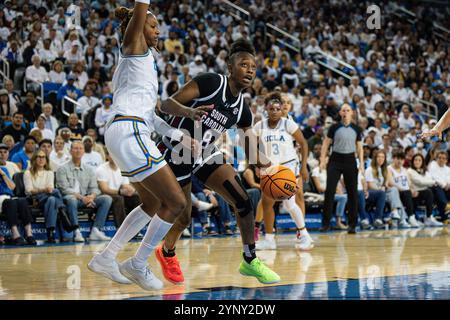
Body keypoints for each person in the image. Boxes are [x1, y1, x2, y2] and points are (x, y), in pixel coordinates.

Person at [88, 3, 208, 290]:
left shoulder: (144, 64)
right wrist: (143, 7)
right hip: (129, 131)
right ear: (139, 28)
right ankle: (138, 263)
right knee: (178, 202)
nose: (158, 31)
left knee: (153, 203)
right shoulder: (134, 47)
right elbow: (140, 13)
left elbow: (152, 116)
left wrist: (182, 132)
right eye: (153, 26)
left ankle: (107, 256)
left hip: (128, 129)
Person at [154, 39, 280, 285]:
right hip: (176, 148)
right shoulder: (211, 83)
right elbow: (167, 104)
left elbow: (249, 141)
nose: (250, 70)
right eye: (244, 65)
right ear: (230, 68)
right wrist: (190, 112)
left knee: (243, 201)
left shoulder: (242, 108)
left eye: (253, 67)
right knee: (183, 216)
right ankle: (166, 252)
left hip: (204, 151)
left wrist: (268, 166)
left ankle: (250, 259)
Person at [253, 92, 313, 251]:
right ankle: (269, 239)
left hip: (287, 167)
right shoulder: (259, 126)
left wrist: (303, 165)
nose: (274, 111)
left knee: (289, 203)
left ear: (281, 110)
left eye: (277, 109)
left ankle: (304, 234)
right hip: (270, 168)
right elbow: (250, 145)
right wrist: (257, 165)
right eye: (271, 108)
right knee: (266, 203)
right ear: (266, 109)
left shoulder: (288, 124)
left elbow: (304, 143)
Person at [56, 141, 113, 243]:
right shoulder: (62, 168)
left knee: (106, 199)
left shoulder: (89, 169)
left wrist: (91, 197)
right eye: (75, 148)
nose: (78, 151)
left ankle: (96, 230)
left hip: (86, 199)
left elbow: (95, 188)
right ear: (70, 151)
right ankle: (76, 231)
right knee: (71, 199)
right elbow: (64, 189)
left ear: (83, 152)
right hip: (69, 199)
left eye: (80, 148)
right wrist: (84, 198)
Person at [319, 104, 364, 234]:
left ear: (352, 113)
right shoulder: (334, 127)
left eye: (348, 110)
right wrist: (322, 160)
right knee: (330, 191)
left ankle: (352, 224)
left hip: (350, 160)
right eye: (343, 110)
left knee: (352, 193)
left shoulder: (357, 129)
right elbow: (325, 144)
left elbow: (360, 148)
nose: (345, 112)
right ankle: (326, 223)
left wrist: (360, 163)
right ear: (340, 113)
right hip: (335, 160)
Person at [24, 151, 75, 243]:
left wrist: (47, 190)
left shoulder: (49, 173)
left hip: (47, 198)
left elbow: (50, 189)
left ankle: (50, 234)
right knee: (56, 192)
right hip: (34, 199)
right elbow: (29, 190)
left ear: (46, 160)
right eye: (38, 157)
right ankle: (63, 213)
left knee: (52, 199)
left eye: (43, 157)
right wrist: (43, 190)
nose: (41, 159)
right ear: (34, 159)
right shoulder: (28, 173)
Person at [95, 148, 141, 228]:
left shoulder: (121, 168)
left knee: (136, 197)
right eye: (111, 154)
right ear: (107, 156)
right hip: (104, 196)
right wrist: (121, 192)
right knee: (118, 198)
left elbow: (125, 185)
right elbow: (104, 189)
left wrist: (132, 190)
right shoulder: (101, 169)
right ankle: (122, 228)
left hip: (118, 194)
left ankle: (135, 228)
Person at [0, 159, 36, 246]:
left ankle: (29, 234)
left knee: (22, 201)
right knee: (10, 203)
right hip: (2, 198)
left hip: (8, 196)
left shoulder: (3, 170)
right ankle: (15, 234)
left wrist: (2, 174)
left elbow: (12, 187)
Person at [311, 156, 349, 230]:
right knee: (343, 198)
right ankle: (338, 222)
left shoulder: (330, 170)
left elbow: (337, 184)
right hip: (323, 194)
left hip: (333, 193)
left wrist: (338, 190)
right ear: (320, 160)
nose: (328, 162)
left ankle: (351, 220)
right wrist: (332, 190)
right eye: (325, 159)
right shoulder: (316, 170)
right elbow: (319, 188)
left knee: (347, 196)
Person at [407, 153, 443, 227]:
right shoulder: (410, 171)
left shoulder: (425, 171)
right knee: (430, 191)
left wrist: (430, 182)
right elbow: (420, 182)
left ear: (422, 162)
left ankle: (433, 215)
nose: (417, 162)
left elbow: (428, 180)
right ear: (413, 161)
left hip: (424, 192)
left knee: (434, 190)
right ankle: (429, 217)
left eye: (419, 160)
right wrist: (433, 182)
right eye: (416, 160)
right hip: (414, 194)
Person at [388, 151, 423, 228]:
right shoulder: (389, 169)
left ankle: (414, 217)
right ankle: (410, 217)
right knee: (407, 193)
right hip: (396, 192)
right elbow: (390, 183)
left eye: (402, 159)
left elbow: (409, 183)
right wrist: (402, 189)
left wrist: (413, 190)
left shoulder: (404, 170)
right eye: (398, 158)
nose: (400, 161)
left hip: (405, 192)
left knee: (415, 193)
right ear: (393, 159)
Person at [427, 151, 450, 221]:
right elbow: (434, 177)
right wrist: (444, 185)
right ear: (436, 159)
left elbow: (449, 178)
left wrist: (448, 184)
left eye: (443, 158)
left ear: (446, 160)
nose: (441, 160)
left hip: (445, 189)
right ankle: (446, 205)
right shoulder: (433, 165)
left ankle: (445, 217)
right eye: (439, 158)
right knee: (436, 186)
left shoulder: (448, 169)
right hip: (434, 188)